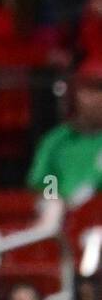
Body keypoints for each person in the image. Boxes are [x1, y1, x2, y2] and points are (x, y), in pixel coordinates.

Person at [27, 56, 102, 203]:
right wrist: (56, 204)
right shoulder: (55, 143)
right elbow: (46, 185)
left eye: (100, 89)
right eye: (89, 89)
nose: (97, 98)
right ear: (75, 93)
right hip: (65, 219)